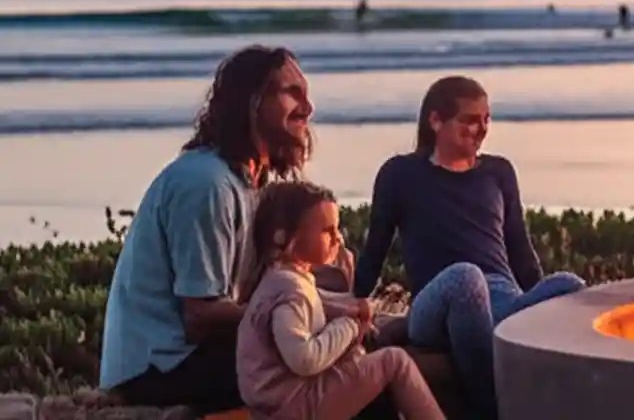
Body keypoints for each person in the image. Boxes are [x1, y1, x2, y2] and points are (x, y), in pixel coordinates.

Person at [353, 76, 585, 420]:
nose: (481, 129)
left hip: (503, 301)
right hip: (441, 300)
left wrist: (534, 310)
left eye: (486, 120)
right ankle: (489, 410)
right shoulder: (400, 174)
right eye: (470, 120)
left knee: (569, 284)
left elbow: (520, 249)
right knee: (467, 277)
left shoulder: (498, 171)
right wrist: (352, 306)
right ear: (436, 121)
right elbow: (375, 249)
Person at [100, 46, 314, 412]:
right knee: (326, 369)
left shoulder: (249, 184)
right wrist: (306, 313)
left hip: (192, 357)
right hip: (159, 368)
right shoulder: (207, 184)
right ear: (253, 102)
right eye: (292, 93)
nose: (308, 109)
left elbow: (259, 292)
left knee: (343, 353)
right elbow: (200, 316)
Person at [237, 181, 444, 420]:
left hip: (280, 401)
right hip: (294, 406)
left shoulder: (280, 278)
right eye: (327, 230)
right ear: (284, 236)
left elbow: (319, 302)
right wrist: (351, 325)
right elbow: (304, 358)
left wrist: (352, 309)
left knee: (363, 354)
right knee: (394, 361)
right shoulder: (291, 289)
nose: (338, 238)